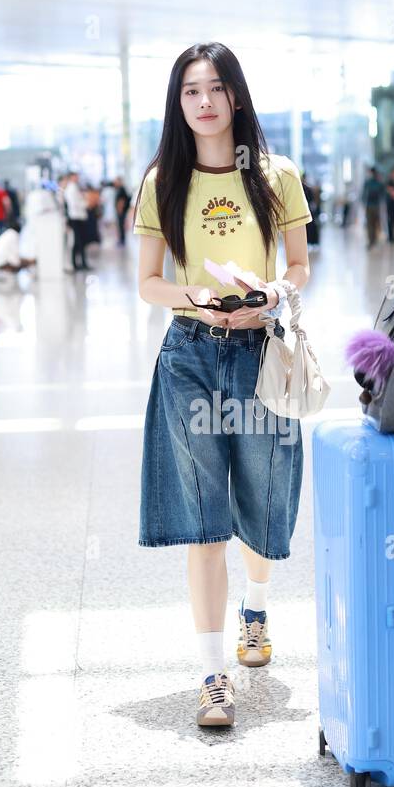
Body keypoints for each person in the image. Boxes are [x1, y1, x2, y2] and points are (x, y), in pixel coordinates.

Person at [136, 41, 311, 728]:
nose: (204, 102)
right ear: (177, 103)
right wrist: (196, 297)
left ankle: (256, 609)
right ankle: (213, 675)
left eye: (215, 88)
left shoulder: (275, 175)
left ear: (236, 95)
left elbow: (299, 266)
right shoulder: (163, 181)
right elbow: (148, 281)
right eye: (190, 91)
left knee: (263, 500)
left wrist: (271, 293)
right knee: (204, 518)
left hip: (261, 353)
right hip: (189, 354)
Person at [62, 172, 89, 271]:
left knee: (79, 241)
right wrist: (85, 203)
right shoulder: (71, 188)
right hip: (76, 217)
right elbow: (75, 203)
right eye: (76, 176)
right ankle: (78, 263)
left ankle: (79, 263)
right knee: (78, 241)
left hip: (78, 217)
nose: (77, 178)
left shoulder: (74, 187)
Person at [362, 165, 384, 248]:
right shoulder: (375, 182)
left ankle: (373, 240)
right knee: (372, 223)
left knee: (372, 224)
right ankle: (372, 240)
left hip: (374, 205)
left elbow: (382, 194)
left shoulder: (376, 183)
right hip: (372, 205)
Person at [113, 176, 131, 246]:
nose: (115, 183)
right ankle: (121, 239)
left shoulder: (121, 189)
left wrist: (120, 210)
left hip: (121, 211)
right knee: (120, 225)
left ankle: (122, 240)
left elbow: (122, 201)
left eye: (116, 181)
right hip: (120, 211)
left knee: (121, 225)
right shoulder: (119, 189)